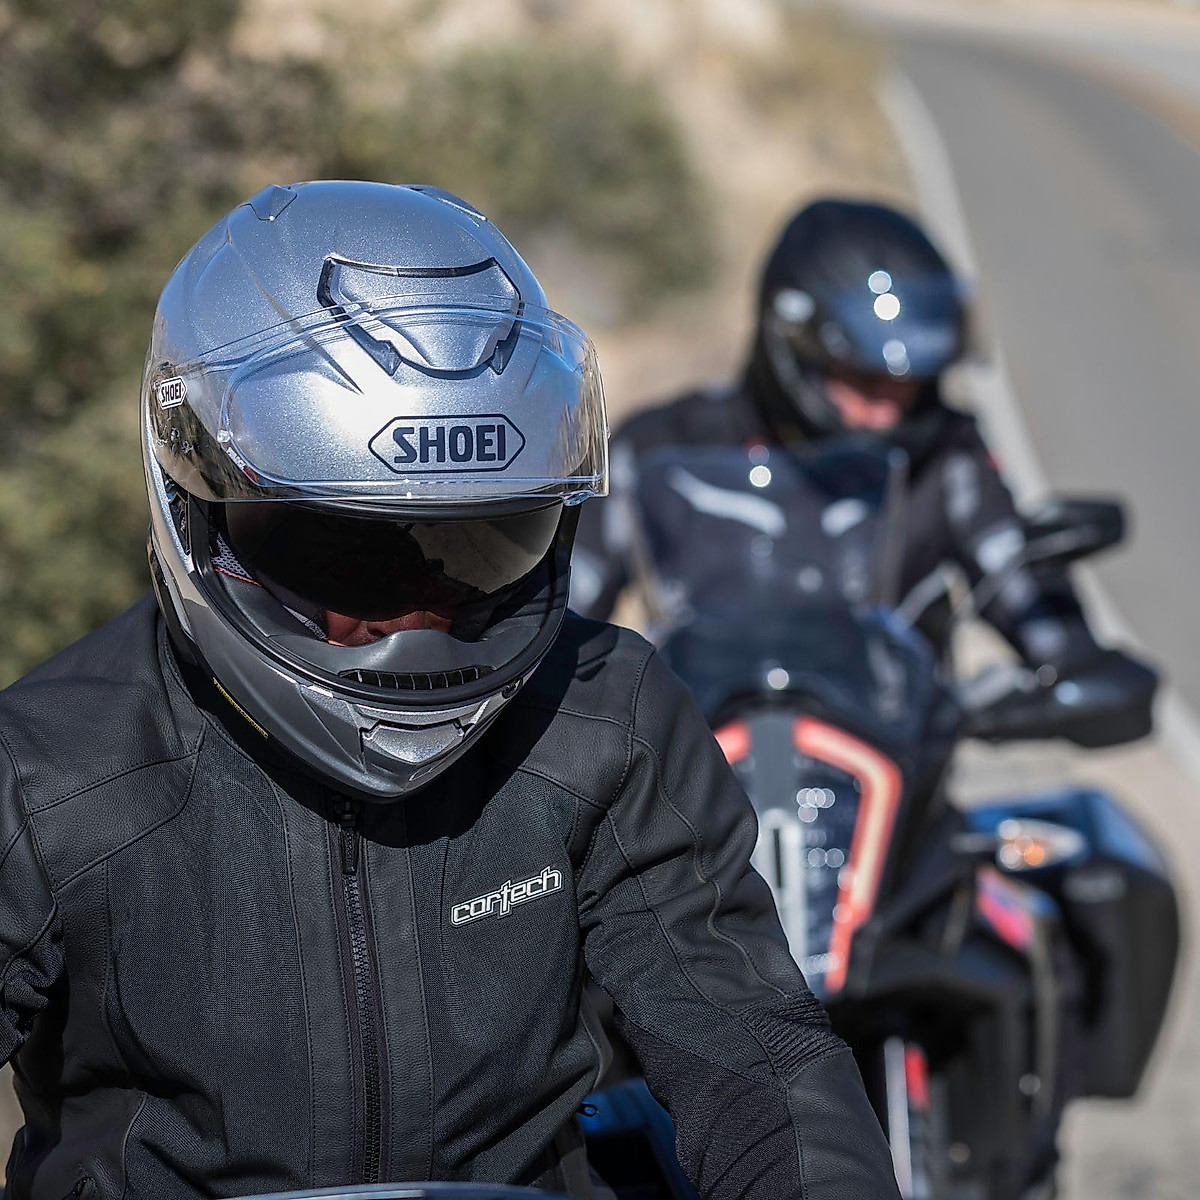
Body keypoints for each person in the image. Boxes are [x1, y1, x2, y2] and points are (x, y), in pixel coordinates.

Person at [0, 182, 902, 1199]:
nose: (414, 623)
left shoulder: (604, 720)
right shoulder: (51, 769)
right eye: (346, 557)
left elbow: (759, 1057)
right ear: (200, 502)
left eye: (473, 554)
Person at [572, 198, 1153, 714]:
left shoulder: (948, 458)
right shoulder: (657, 446)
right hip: (690, 775)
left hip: (897, 783)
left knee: (1088, 810)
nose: (887, 413)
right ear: (792, 347)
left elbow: (1031, 604)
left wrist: (1075, 665)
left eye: (907, 385)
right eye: (863, 381)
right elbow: (561, 612)